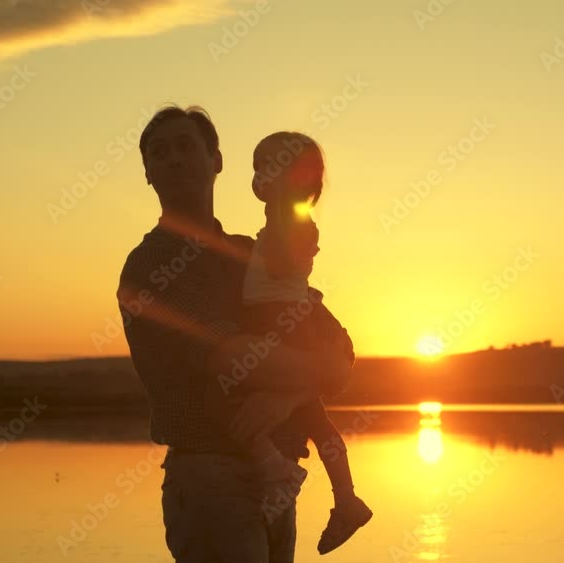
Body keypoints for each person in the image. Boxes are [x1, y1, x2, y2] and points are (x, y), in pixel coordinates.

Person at [117, 104, 355, 563]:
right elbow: (232, 357)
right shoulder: (148, 268)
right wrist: (317, 374)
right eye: (159, 152)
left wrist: (291, 396)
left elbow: (339, 348)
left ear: (217, 161)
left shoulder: (259, 255)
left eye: (187, 146)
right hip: (210, 477)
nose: (174, 159)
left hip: (280, 478)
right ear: (147, 173)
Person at [226, 131, 373, 554]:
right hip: (279, 318)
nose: (259, 176)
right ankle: (345, 498)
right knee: (313, 417)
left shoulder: (292, 220)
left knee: (245, 393)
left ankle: (301, 479)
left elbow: (282, 265)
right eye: (256, 167)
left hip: (281, 322)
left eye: (270, 167)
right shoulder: (284, 217)